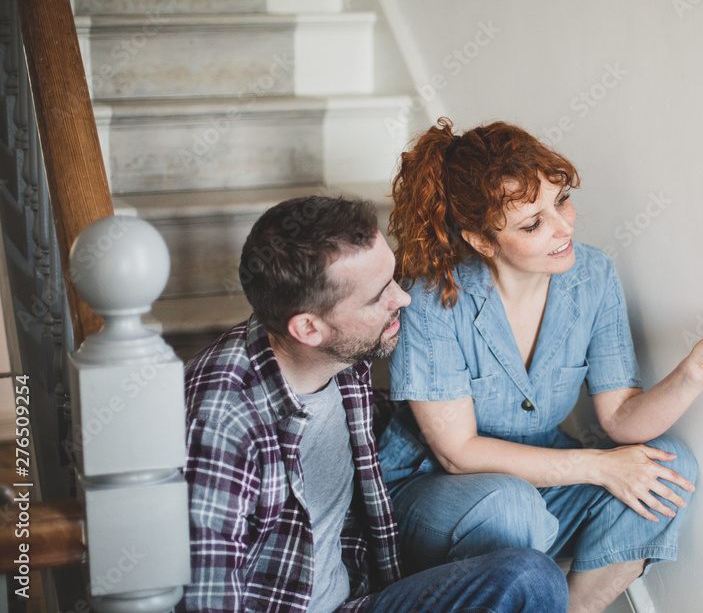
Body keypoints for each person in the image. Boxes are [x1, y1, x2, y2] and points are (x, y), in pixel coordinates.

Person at [378, 119, 703, 612]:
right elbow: (458, 453)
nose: (564, 227)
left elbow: (620, 417)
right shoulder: (431, 298)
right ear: (481, 241)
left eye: (561, 201)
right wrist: (597, 467)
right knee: (513, 508)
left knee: (669, 469)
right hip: (438, 490)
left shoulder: (593, 275)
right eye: (532, 224)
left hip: (542, 479)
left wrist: (695, 372)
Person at [178, 195, 569, 612]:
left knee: (526, 573)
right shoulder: (224, 422)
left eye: (393, 279)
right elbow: (208, 598)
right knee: (530, 577)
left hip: (361, 587)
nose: (403, 298)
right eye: (377, 295)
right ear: (309, 327)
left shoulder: (336, 351)